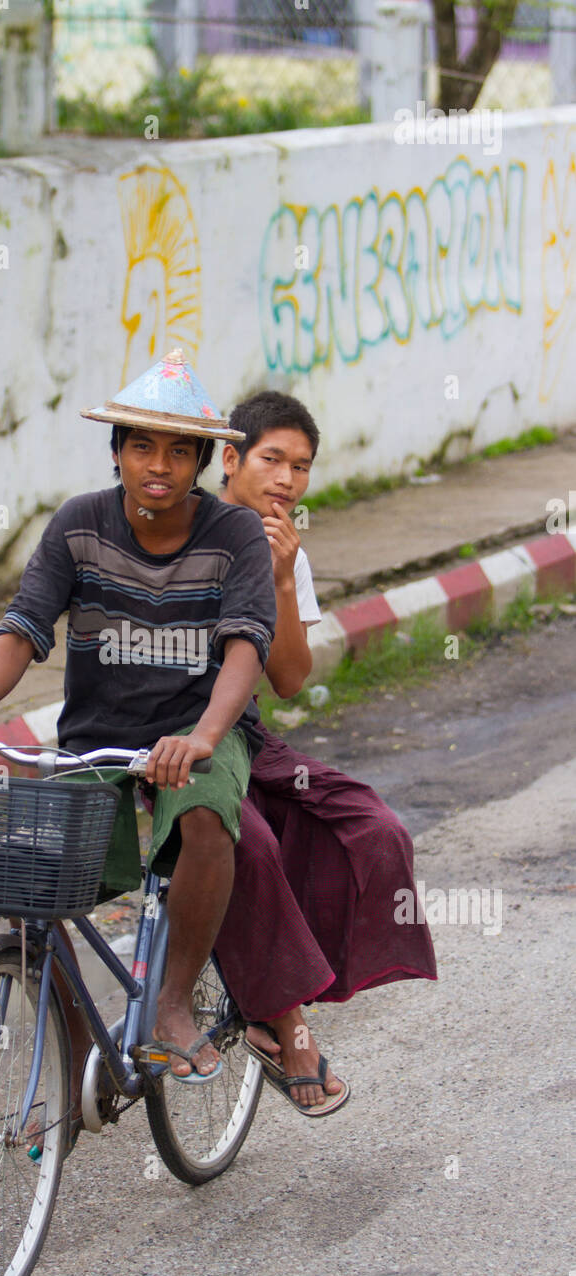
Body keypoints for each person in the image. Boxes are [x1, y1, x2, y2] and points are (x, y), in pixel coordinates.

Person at [0, 349, 276, 1084]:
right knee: (22, 881)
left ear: (202, 460)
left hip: (195, 735)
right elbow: (22, 628)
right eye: (141, 445)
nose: (159, 465)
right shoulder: (79, 525)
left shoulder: (233, 535)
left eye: (179, 450)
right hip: (94, 743)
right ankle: (76, 1044)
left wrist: (204, 736)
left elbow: (244, 648)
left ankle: (173, 1005)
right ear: (116, 453)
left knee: (204, 820)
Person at [215, 390, 437, 1116]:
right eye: (271, 459)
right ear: (229, 457)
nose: (284, 480)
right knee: (252, 844)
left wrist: (281, 577)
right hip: (160, 736)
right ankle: (285, 1022)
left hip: (243, 734)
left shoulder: (284, 549)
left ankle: (286, 990)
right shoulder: (189, 527)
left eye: (300, 467)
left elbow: (288, 677)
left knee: (371, 828)